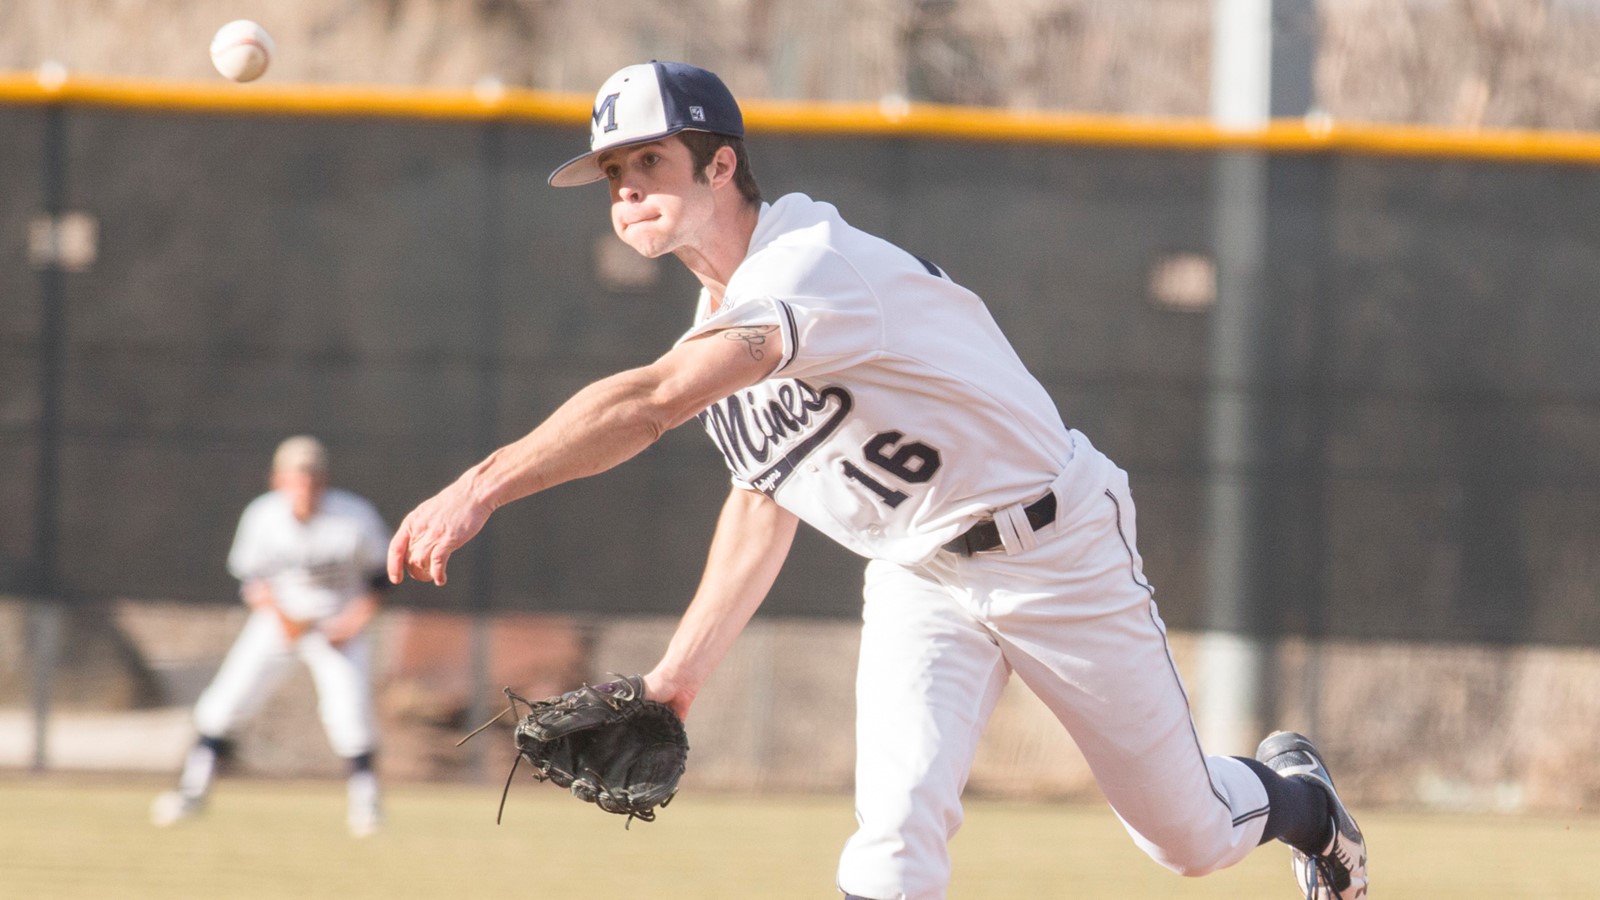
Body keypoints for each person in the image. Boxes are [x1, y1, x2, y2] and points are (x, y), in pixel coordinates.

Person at [387, 61, 1367, 899]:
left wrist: (481, 484)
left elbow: (649, 403)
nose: (626, 190)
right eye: (611, 174)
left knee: (1186, 838)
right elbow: (761, 502)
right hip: (914, 576)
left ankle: (1298, 797)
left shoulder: (810, 268)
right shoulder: (717, 336)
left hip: (1052, 550)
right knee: (894, 836)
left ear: (721, 162)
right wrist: (678, 677)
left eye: (649, 162)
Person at [152, 435, 391, 838]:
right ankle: (193, 790)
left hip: (336, 625)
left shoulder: (353, 516)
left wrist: (352, 623)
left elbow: (381, 578)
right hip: (277, 624)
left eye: (313, 476)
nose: (306, 485)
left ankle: (366, 804)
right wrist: (283, 618)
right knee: (225, 703)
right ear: (278, 480)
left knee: (349, 715)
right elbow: (253, 580)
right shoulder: (263, 517)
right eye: (298, 476)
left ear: (324, 479)